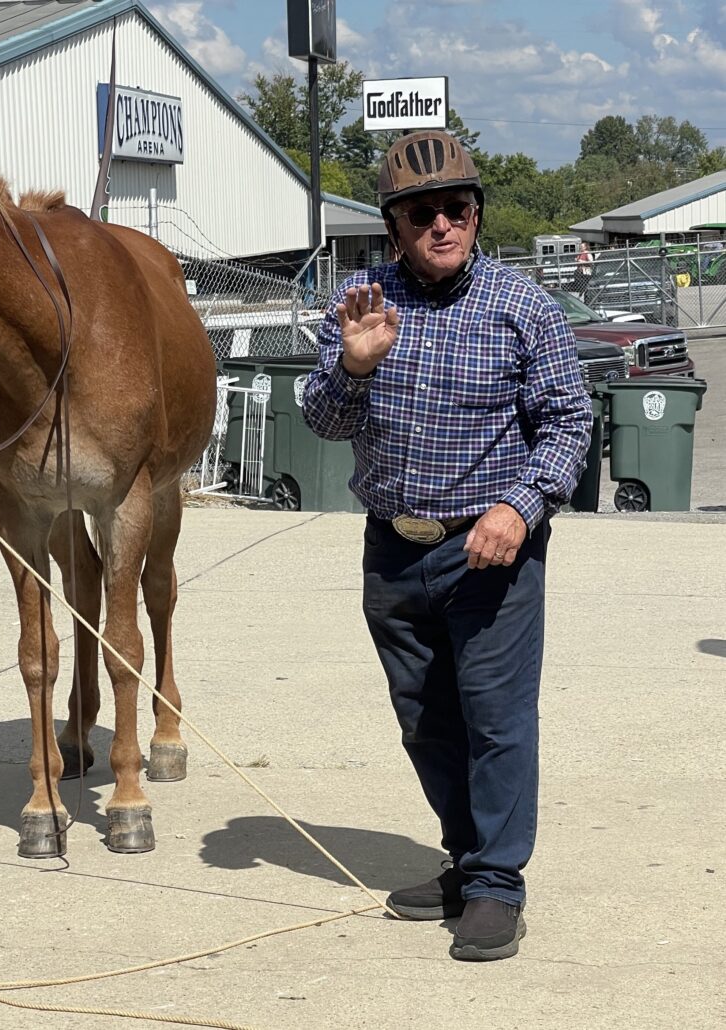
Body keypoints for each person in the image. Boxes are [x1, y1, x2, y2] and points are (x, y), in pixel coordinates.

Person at [302, 130, 592, 962]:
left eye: (455, 209)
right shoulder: (361, 304)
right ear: (393, 225)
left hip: (491, 546)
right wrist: (353, 368)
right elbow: (324, 424)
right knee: (426, 722)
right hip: (394, 549)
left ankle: (499, 883)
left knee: (496, 721)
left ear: (474, 215)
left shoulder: (521, 304)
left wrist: (521, 504)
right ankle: (465, 864)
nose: (441, 224)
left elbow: (570, 422)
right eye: (420, 212)